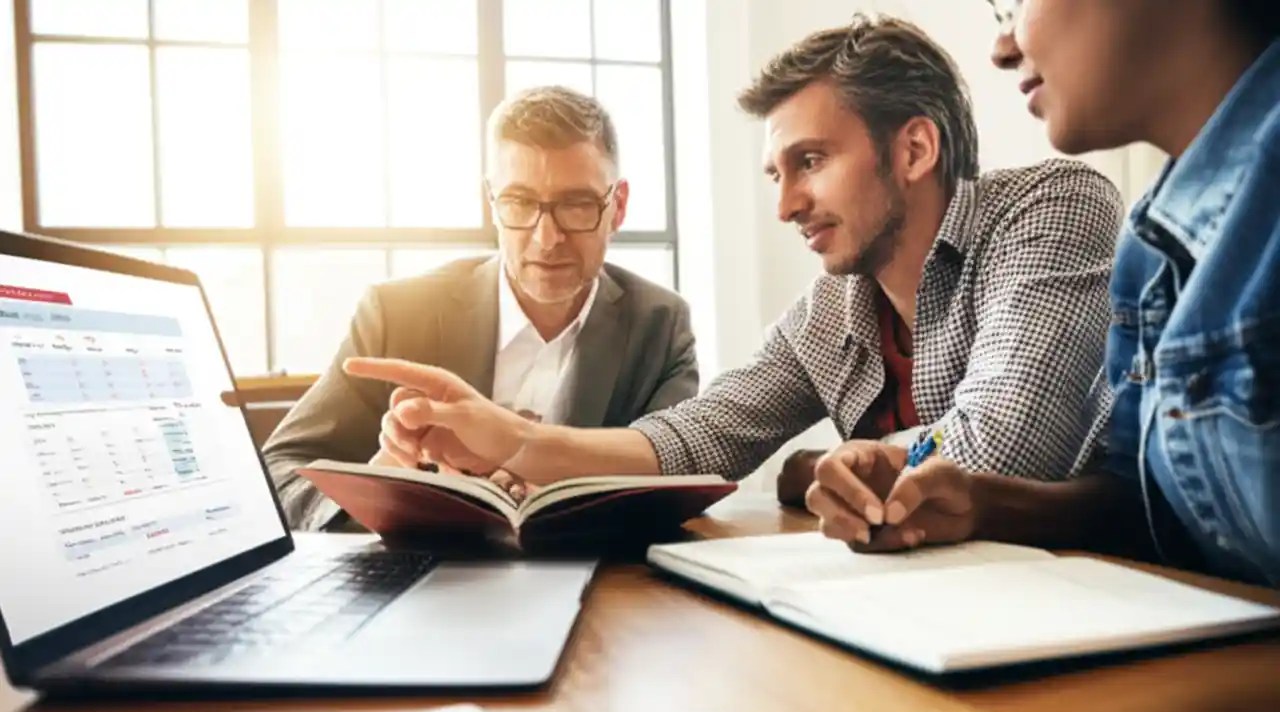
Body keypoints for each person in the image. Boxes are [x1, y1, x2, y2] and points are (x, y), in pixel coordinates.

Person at [339, 15, 1124, 541]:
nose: (785, 203)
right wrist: (515, 439)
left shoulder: (1049, 207)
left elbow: (1004, 444)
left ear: (915, 151)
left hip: (1116, 613)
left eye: (810, 162)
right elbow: (697, 439)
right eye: (776, 173)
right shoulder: (830, 310)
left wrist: (838, 462)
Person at [804, 0, 1280, 588]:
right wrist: (980, 503)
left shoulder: (1058, 205)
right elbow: (1145, 504)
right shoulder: (1149, 245)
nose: (1002, 50)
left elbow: (1001, 439)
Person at [263, 86, 700, 531]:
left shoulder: (660, 326)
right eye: (520, 203)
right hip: (426, 583)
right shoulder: (396, 315)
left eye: (577, 204)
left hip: (599, 583)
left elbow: (678, 483)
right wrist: (376, 489)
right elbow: (280, 473)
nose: (546, 238)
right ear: (492, 203)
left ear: (618, 206)